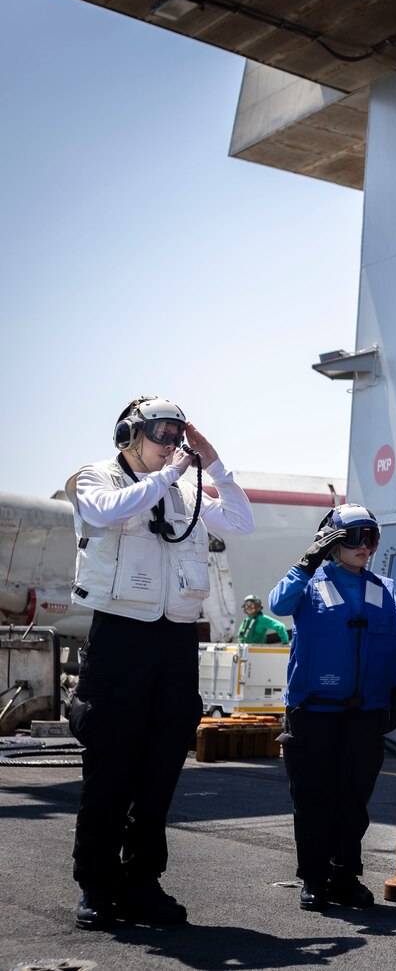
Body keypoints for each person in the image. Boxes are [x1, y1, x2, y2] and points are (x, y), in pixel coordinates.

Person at [64, 395, 254, 929]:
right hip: (121, 633)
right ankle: (98, 886)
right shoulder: (94, 478)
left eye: (179, 435)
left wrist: (214, 463)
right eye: (161, 434)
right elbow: (106, 512)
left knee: (161, 766)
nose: (173, 445)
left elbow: (241, 521)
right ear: (130, 434)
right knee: (110, 765)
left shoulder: (186, 485)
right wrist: (169, 477)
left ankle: (143, 882)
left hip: (173, 639)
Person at [271, 504, 396, 912]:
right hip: (313, 712)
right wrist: (306, 562)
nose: (365, 546)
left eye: (372, 536)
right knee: (314, 797)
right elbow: (278, 605)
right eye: (354, 537)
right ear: (330, 542)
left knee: (353, 800)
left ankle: (346, 876)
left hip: (364, 713)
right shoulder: (308, 583)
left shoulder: (383, 588)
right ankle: (314, 877)